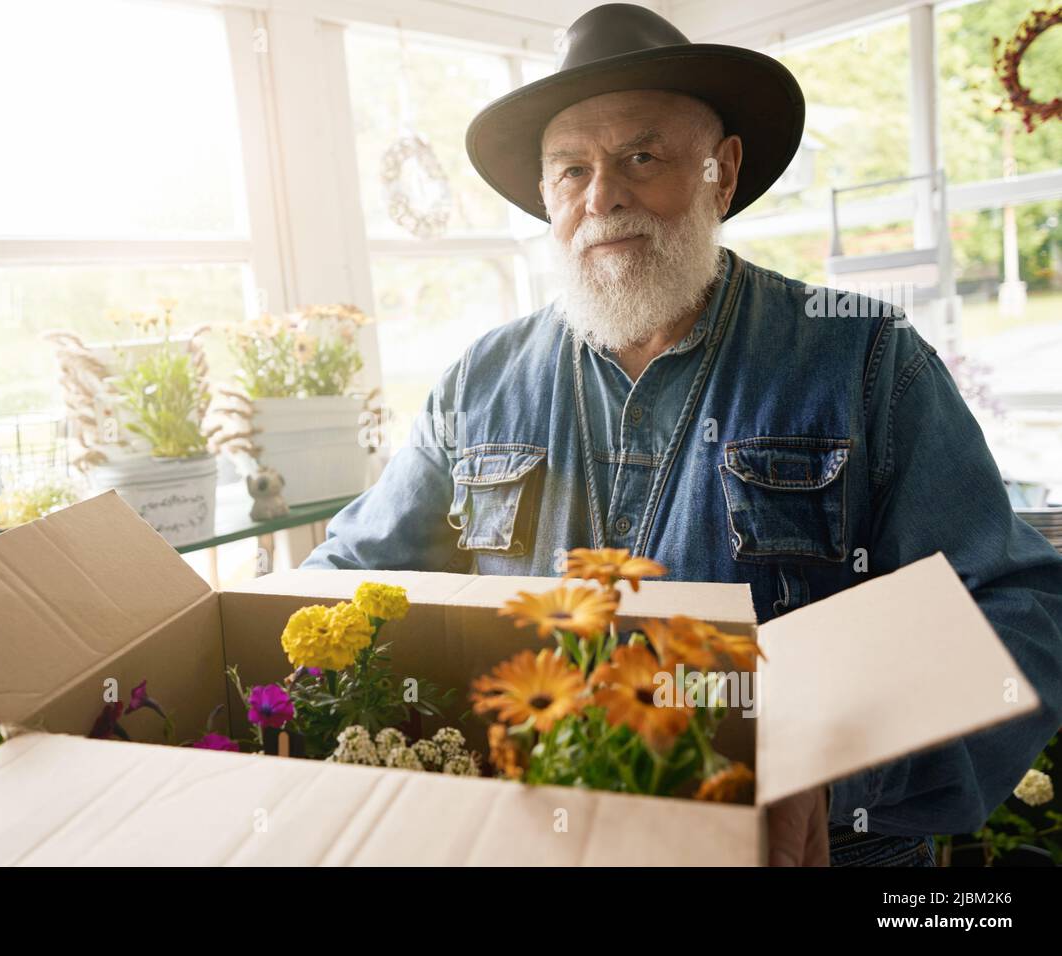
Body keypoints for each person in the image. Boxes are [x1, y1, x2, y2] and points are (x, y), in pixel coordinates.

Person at [301, 3, 1062, 867]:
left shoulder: (865, 361)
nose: (604, 196)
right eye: (570, 170)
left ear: (723, 172)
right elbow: (349, 582)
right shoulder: (479, 380)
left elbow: (1020, 612)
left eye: (641, 156)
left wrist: (830, 760)